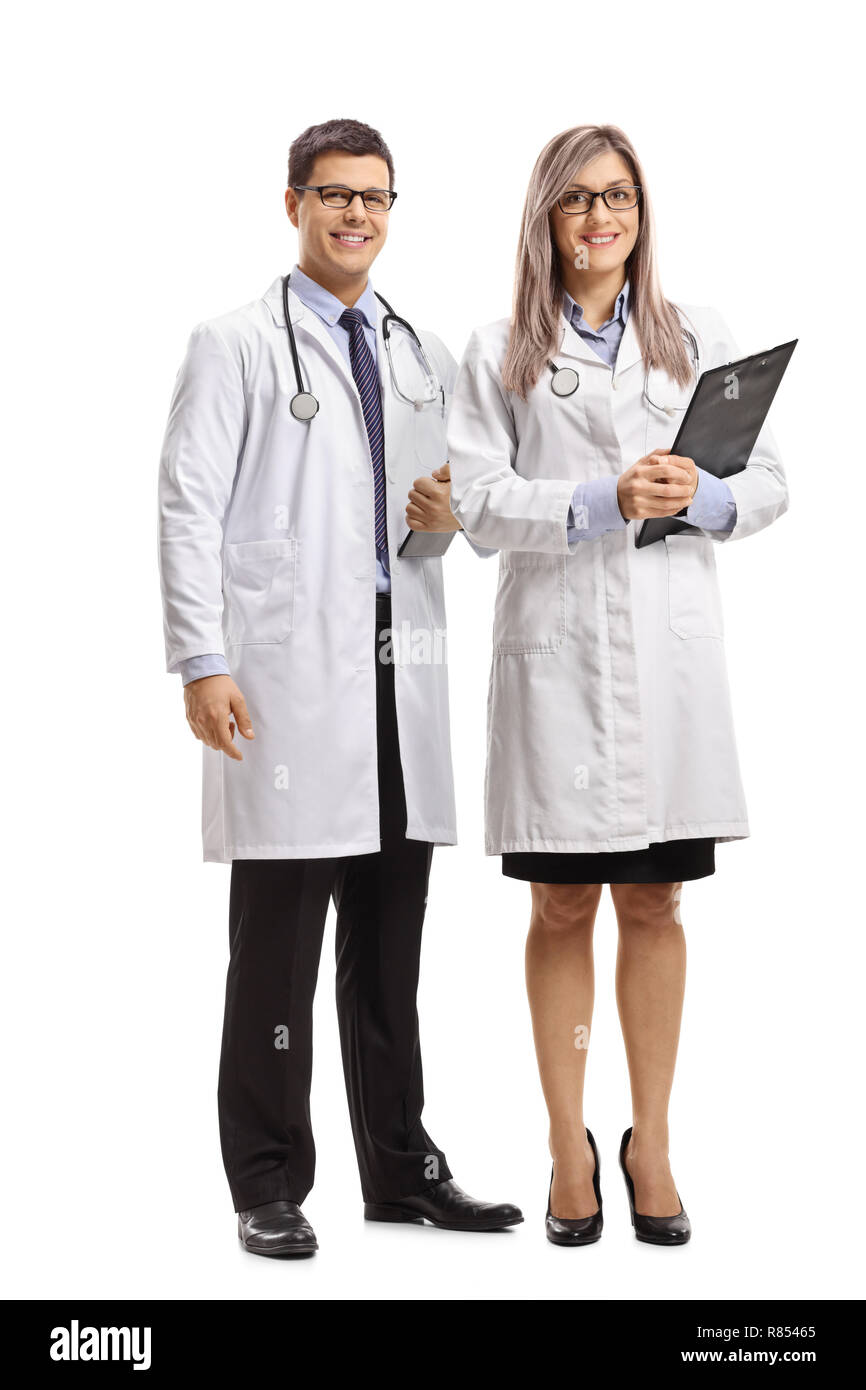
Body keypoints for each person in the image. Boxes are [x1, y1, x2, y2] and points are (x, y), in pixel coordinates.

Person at [157, 117, 521, 1256]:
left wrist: (444, 513)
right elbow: (186, 505)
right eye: (333, 194)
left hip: (394, 655)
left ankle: (401, 1167)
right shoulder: (235, 344)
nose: (354, 214)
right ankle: (266, 1181)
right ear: (293, 205)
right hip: (283, 673)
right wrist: (203, 660)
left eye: (372, 196)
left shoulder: (418, 348)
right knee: (277, 945)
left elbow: (459, 501)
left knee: (388, 936)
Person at [446, 123, 788, 1246]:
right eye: (578, 200)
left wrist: (697, 493)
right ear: (545, 218)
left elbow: (769, 485)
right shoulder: (498, 349)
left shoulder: (697, 337)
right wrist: (602, 498)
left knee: (653, 899)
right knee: (558, 903)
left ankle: (651, 1139)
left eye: (621, 199)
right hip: (555, 667)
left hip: (666, 656)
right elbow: (480, 508)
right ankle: (563, 1141)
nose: (601, 218)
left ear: (641, 216)